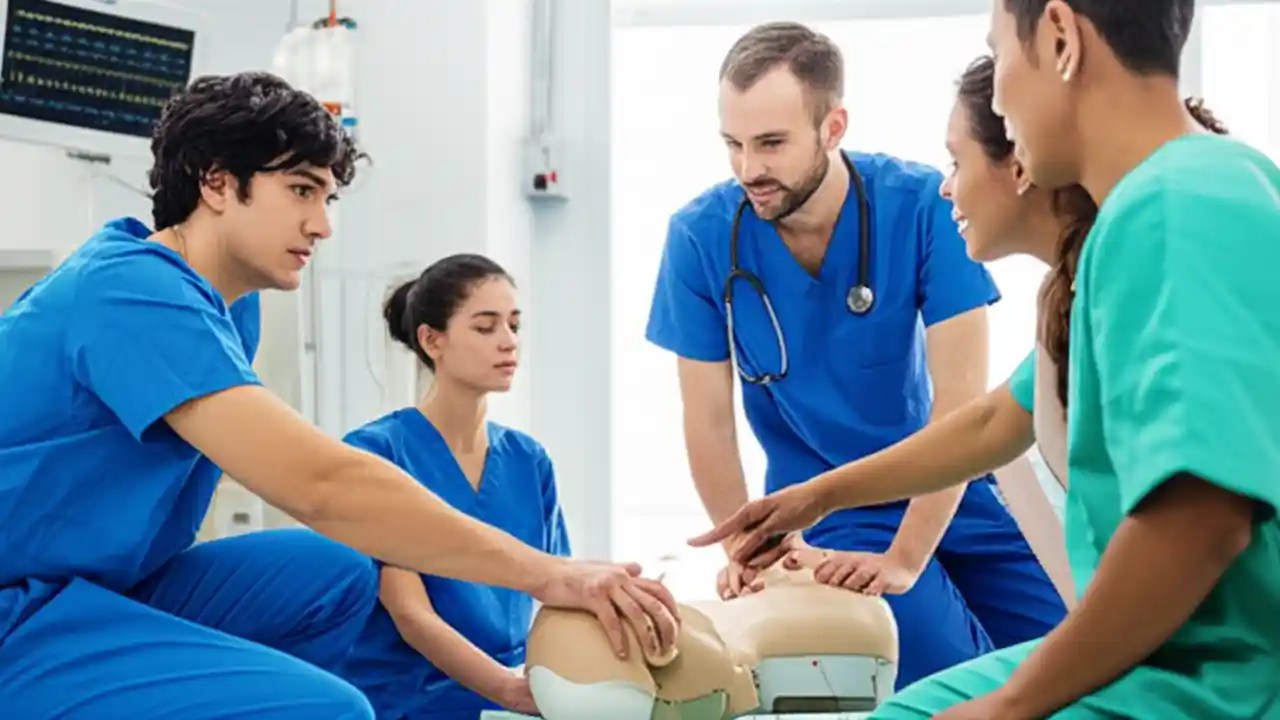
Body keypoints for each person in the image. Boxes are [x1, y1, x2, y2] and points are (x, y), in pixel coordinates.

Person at [0, 72, 676, 719]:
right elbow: (318, 483)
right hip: (19, 608)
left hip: (103, 588)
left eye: (328, 199)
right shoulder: (129, 291)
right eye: (301, 191)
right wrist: (547, 575)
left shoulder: (229, 308)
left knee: (338, 571)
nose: (322, 225)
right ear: (215, 182)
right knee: (330, 708)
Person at [697, 2, 1280, 718]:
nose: (1000, 95)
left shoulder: (1181, 206)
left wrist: (1011, 705)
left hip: (1223, 676)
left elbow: (1199, 519)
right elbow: (995, 421)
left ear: (1061, 39)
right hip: (1179, 655)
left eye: (999, 54)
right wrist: (816, 497)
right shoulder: (1147, 216)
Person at [644, 20, 1064, 689]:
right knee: (969, 679)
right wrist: (746, 549)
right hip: (831, 516)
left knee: (1080, 651)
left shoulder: (926, 205)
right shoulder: (700, 237)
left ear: (833, 127)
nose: (749, 168)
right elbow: (709, 422)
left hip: (954, 490)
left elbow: (962, 402)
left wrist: (912, 551)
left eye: (772, 143)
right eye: (734, 144)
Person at [338, 255, 569, 719]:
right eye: (485, 328)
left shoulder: (529, 460)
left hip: (514, 694)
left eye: (514, 325)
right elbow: (411, 616)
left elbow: (558, 590)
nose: (508, 343)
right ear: (432, 340)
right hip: (411, 699)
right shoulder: (377, 454)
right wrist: (511, 693)